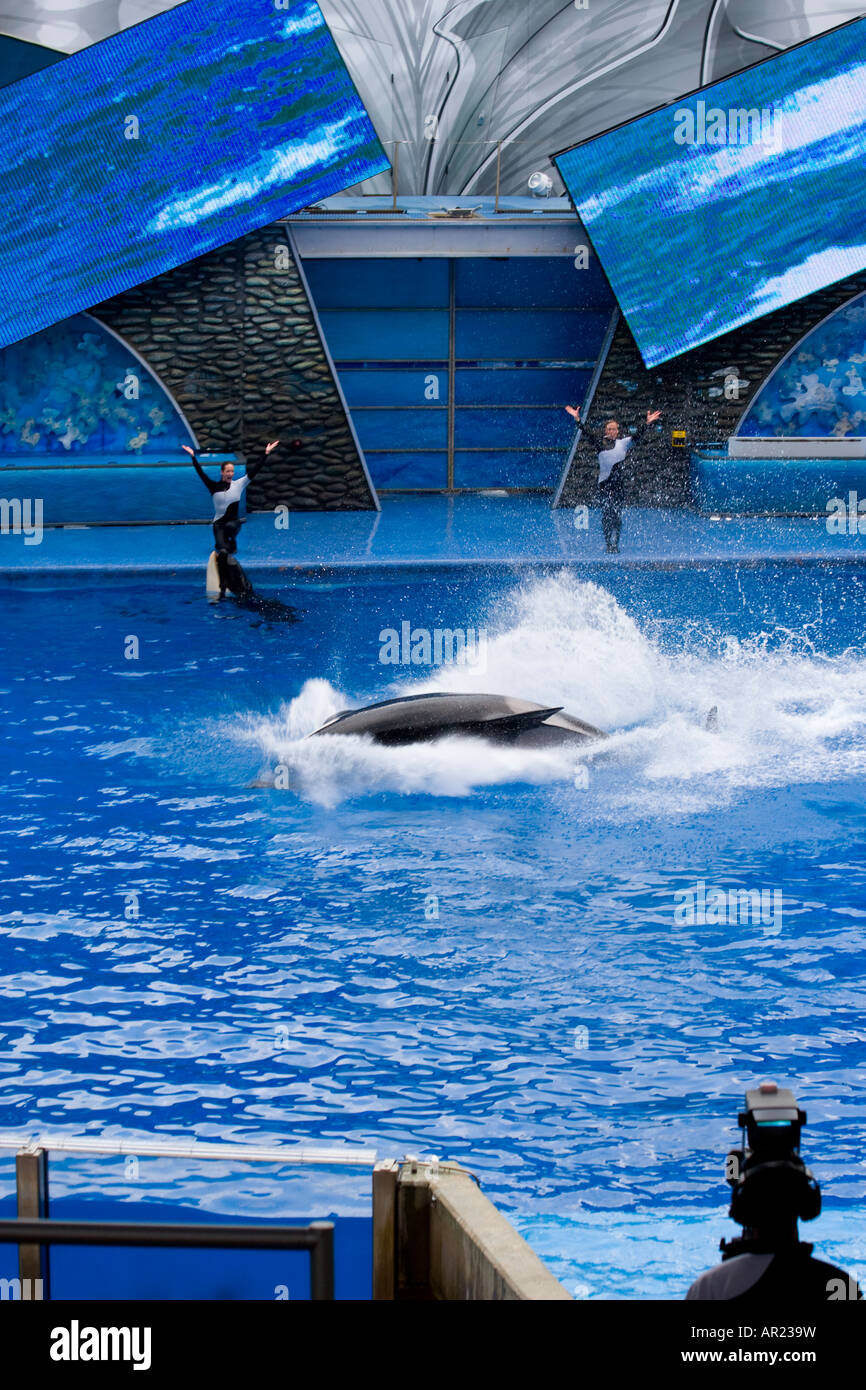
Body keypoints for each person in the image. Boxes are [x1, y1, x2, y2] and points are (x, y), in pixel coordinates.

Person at [183, 441, 279, 597]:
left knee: (233, 528)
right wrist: (193, 457)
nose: (230, 473)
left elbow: (254, 471)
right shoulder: (213, 486)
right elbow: (200, 473)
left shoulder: (239, 484)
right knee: (222, 551)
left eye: (232, 471)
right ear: (222, 472)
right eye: (227, 471)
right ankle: (223, 584)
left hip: (233, 523)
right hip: (219, 524)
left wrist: (266, 453)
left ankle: (231, 541)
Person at [565, 404, 660, 553]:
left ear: (617, 431)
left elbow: (638, 435)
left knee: (617, 514)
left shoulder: (623, 443)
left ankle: (616, 543)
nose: (611, 431)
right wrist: (577, 419)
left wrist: (647, 423)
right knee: (606, 514)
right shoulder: (599, 442)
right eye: (609, 429)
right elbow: (586, 432)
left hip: (619, 485)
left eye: (614, 429)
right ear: (605, 430)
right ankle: (608, 543)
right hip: (604, 485)